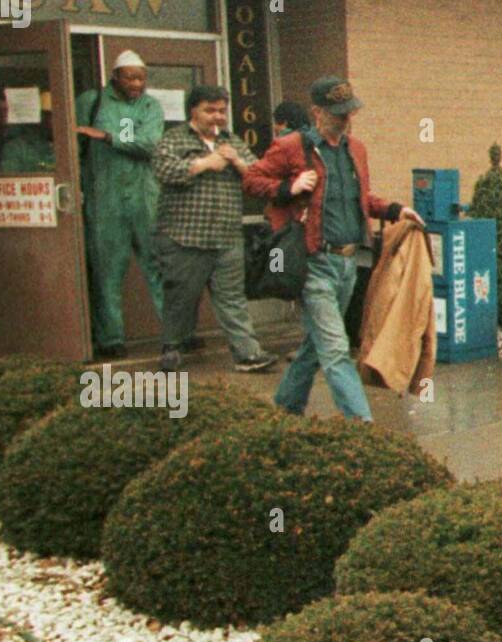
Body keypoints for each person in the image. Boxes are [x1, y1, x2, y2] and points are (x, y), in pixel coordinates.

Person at [243, 76, 423, 421]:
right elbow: (251, 179)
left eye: (349, 112)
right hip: (313, 261)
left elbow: (361, 199)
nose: (346, 119)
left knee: (317, 343)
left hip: (348, 262)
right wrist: (288, 187)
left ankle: (284, 408)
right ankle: (362, 425)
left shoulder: (356, 150)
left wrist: (395, 210)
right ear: (317, 112)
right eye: (338, 113)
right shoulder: (292, 147)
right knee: (337, 349)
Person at [151, 84, 276, 373]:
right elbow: (164, 171)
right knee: (181, 296)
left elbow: (259, 179)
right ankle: (172, 346)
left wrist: (235, 160)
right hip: (184, 236)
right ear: (193, 110)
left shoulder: (232, 141)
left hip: (227, 235)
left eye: (222, 110)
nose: (218, 116)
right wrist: (206, 163)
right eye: (210, 110)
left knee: (232, 298)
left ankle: (248, 354)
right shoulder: (174, 139)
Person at [75, 51, 166, 360]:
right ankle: (110, 338)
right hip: (105, 199)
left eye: (141, 77)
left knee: (158, 267)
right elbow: (72, 142)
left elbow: (150, 144)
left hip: (144, 200)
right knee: (107, 271)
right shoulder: (91, 102)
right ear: (114, 77)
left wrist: (107, 137)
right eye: (130, 77)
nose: (137, 83)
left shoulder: (151, 106)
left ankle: (176, 334)